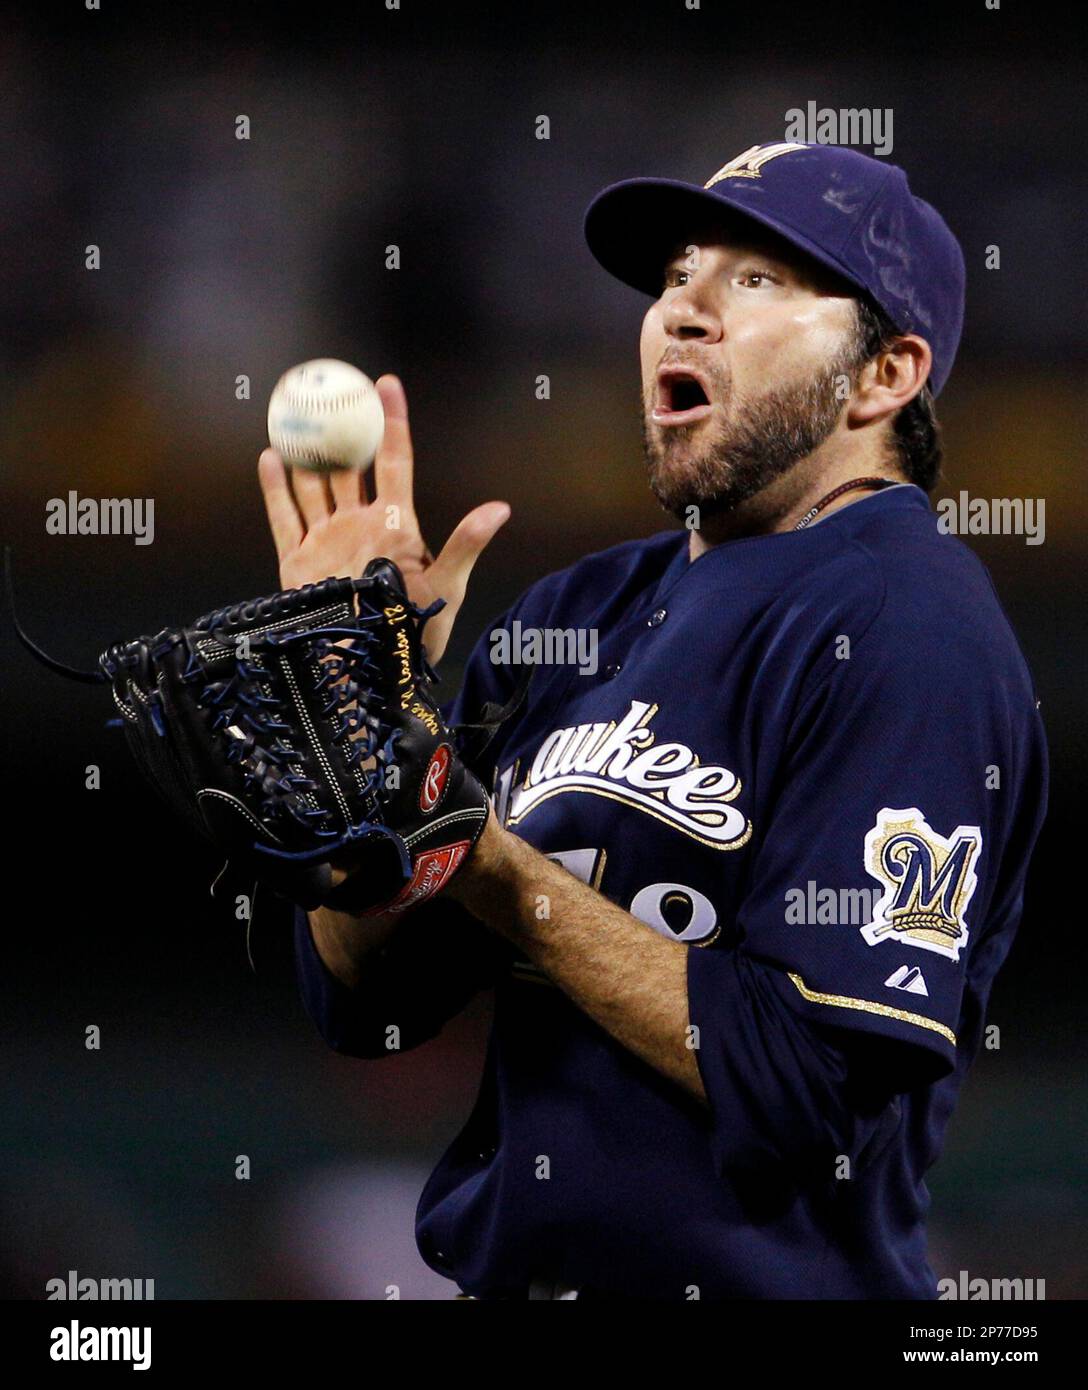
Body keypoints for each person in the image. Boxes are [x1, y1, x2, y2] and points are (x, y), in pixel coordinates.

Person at [258, 142, 1048, 1300]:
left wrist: (491, 866)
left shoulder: (905, 621)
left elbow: (802, 1084)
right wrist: (360, 727)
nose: (682, 308)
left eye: (756, 280)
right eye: (677, 274)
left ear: (882, 374)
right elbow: (370, 1002)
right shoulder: (578, 610)